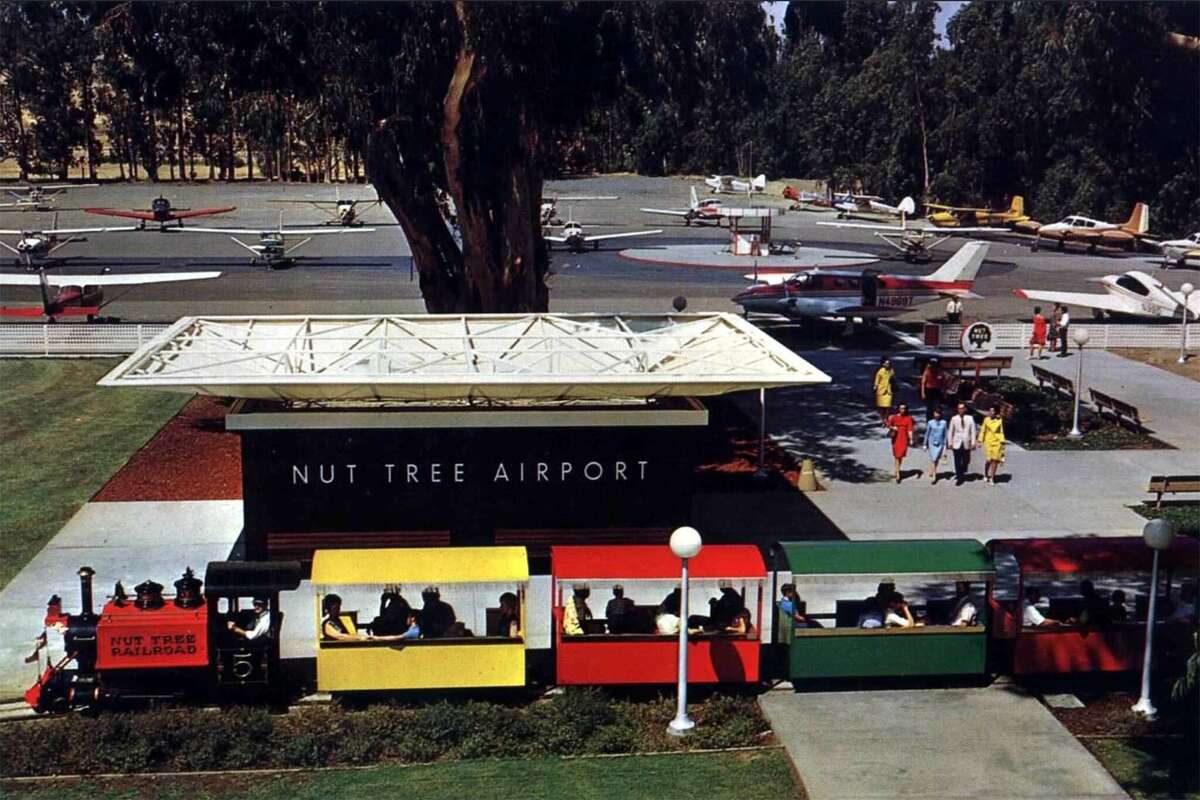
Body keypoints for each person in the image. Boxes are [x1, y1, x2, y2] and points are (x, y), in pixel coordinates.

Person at [948, 403, 977, 486]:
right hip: (957, 442)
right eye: (959, 408)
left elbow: (973, 431)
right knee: (957, 460)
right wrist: (950, 442)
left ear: (965, 409)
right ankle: (959, 477)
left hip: (966, 442)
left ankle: (963, 469)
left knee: (966, 460)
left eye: (962, 408)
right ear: (957, 410)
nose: (961, 410)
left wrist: (973, 442)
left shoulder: (970, 418)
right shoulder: (954, 418)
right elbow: (950, 431)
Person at [886, 403, 915, 483]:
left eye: (904, 408)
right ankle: (898, 473)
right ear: (898, 409)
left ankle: (897, 469)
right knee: (896, 456)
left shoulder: (908, 418)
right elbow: (888, 424)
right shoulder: (894, 417)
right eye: (901, 408)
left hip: (904, 438)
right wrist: (893, 427)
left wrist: (911, 439)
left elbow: (910, 429)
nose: (903, 410)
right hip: (896, 438)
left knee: (901, 455)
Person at [978, 406, 1006, 485]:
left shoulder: (999, 420)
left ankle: (992, 478)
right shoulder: (986, 419)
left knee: (995, 460)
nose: (991, 412)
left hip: (997, 442)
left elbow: (1001, 431)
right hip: (988, 442)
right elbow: (983, 430)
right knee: (989, 460)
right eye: (990, 411)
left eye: (992, 411)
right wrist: (980, 441)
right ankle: (986, 473)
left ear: (996, 412)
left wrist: (1002, 441)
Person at [924, 407, 948, 484]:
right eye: (935, 413)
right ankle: (934, 473)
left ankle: (934, 472)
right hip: (932, 443)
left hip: (940, 443)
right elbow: (927, 434)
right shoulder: (930, 423)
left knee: (936, 458)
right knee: (934, 458)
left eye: (938, 413)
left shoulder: (944, 423)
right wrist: (925, 444)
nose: (937, 415)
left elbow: (945, 434)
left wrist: (945, 444)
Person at [873, 357, 896, 427]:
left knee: (887, 407)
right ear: (883, 364)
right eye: (886, 363)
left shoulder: (891, 371)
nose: (888, 365)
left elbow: (893, 378)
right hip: (881, 391)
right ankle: (883, 420)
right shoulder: (880, 371)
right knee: (881, 408)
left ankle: (886, 419)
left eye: (889, 363)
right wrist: (875, 386)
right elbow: (877, 380)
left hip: (888, 391)